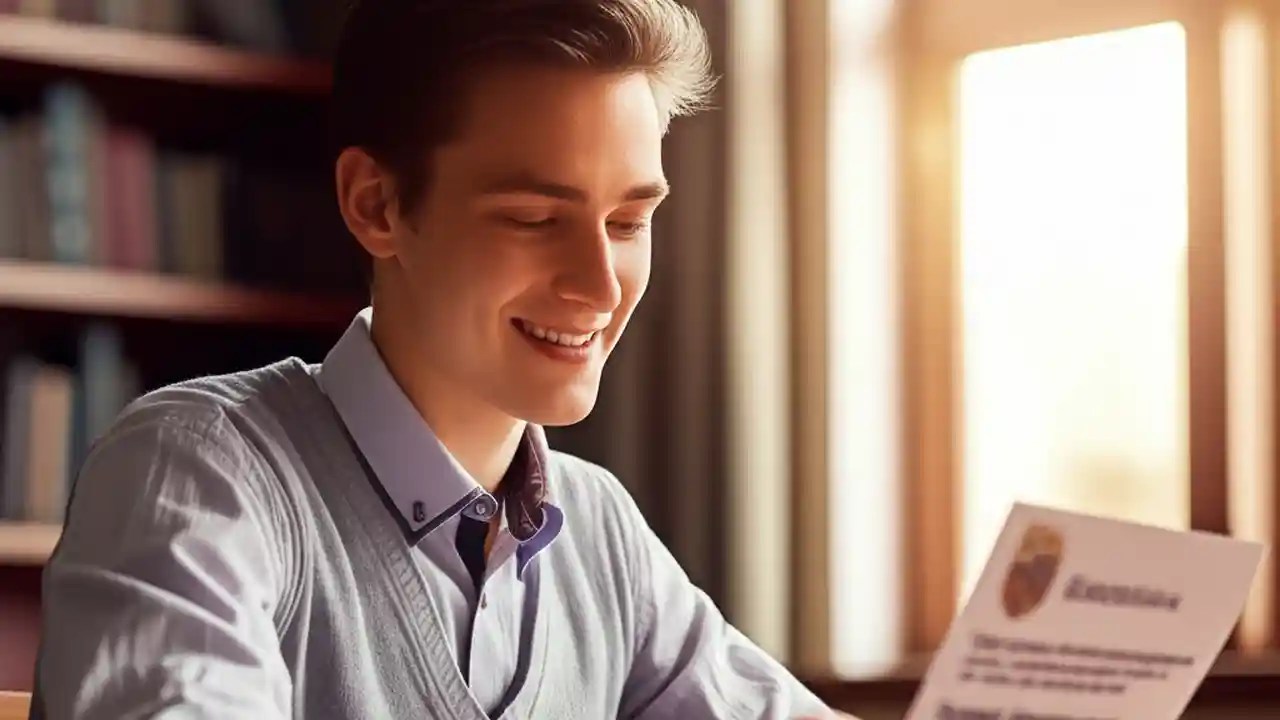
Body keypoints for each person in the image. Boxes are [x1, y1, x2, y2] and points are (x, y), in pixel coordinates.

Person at [30, 1, 854, 718]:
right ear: (377, 206)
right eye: (535, 218)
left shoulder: (600, 533)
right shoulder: (200, 473)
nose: (600, 285)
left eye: (628, 222)